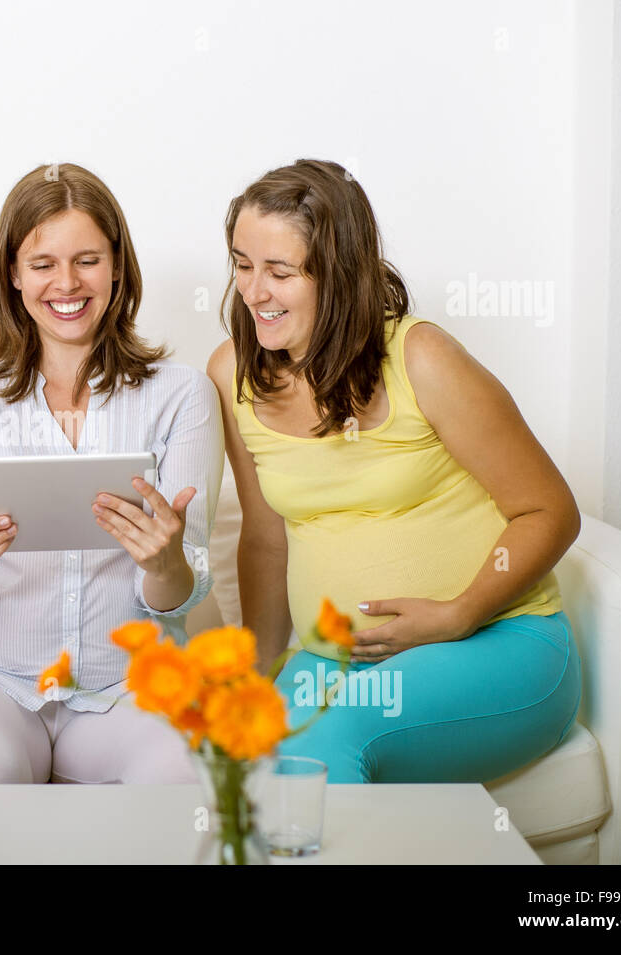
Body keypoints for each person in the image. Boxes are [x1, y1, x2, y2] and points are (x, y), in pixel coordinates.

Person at [207, 158, 582, 783]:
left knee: (327, 735)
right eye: (243, 265)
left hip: (498, 643)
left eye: (279, 272)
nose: (253, 293)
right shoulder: (233, 374)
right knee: (233, 750)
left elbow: (550, 511)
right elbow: (266, 539)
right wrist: (260, 672)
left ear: (341, 271)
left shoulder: (421, 358)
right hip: (339, 658)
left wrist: (459, 612)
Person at [0, 162, 224, 784]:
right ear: (14, 276)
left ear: (118, 268)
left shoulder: (181, 396)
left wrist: (164, 563)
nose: (67, 283)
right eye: (43, 263)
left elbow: (180, 597)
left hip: (128, 682)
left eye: (88, 259)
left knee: (182, 775)